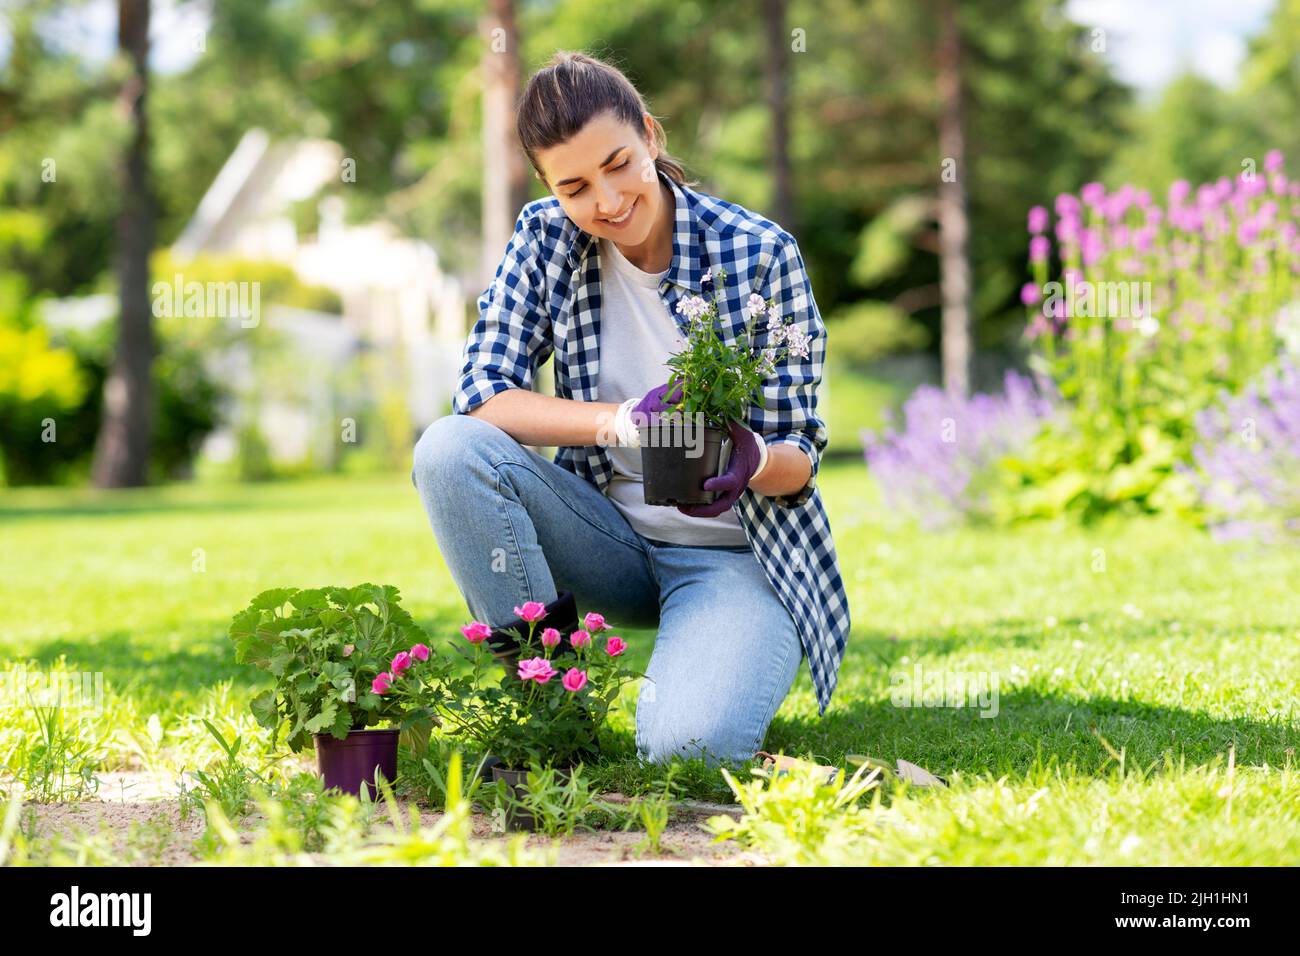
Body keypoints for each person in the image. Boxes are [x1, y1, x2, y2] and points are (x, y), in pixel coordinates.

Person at [411, 50, 850, 766]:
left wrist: (752, 460)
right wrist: (619, 421)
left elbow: (800, 460)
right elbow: (483, 395)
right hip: (607, 538)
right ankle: (551, 721)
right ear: (551, 189)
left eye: (619, 164)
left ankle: (707, 669)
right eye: (576, 186)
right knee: (448, 450)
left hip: (736, 556)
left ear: (650, 135)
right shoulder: (547, 237)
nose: (608, 202)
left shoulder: (758, 252)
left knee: (687, 752)